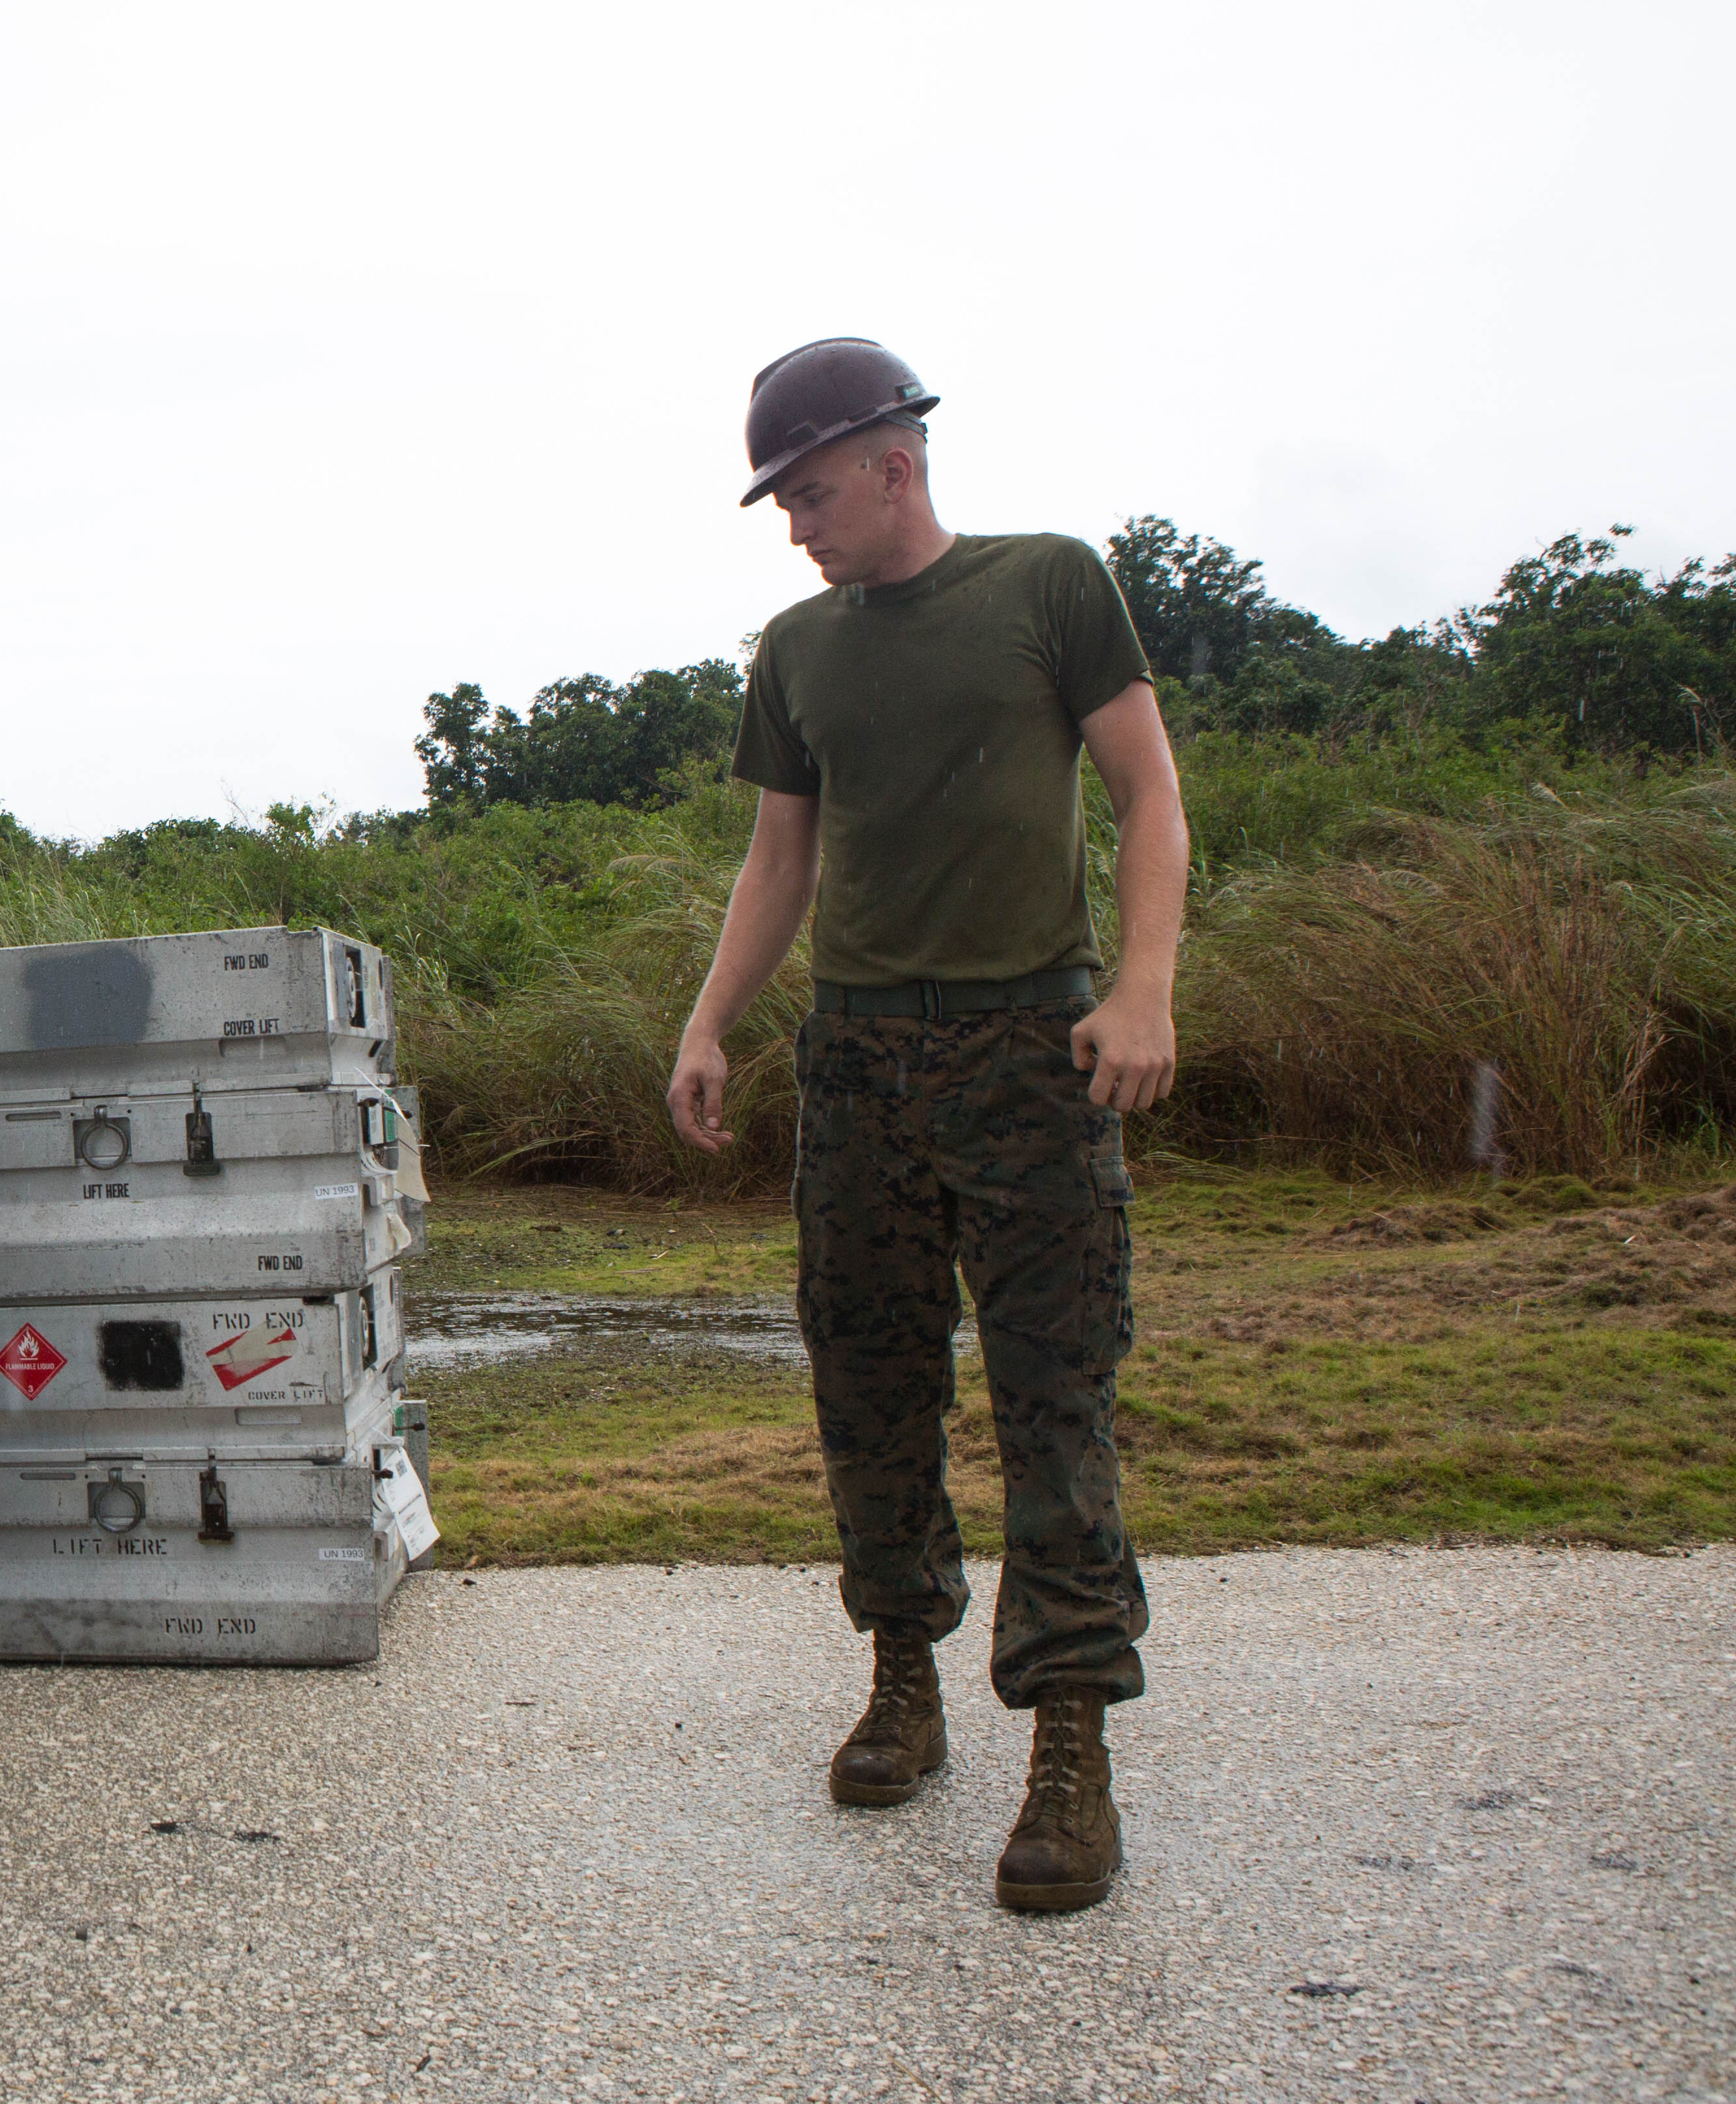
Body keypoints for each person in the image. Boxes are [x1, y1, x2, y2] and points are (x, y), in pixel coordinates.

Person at [664, 338, 1189, 1916]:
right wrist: (707, 1019)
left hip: (1032, 1046)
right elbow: (778, 857)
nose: (793, 525)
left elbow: (1146, 794)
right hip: (858, 1068)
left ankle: (1067, 1745)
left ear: (893, 462)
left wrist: (1143, 985)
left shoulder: (1047, 587)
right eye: (778, 500)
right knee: (868, 1385)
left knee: (1051, 1393)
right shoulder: (796, 644)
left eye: (809, 491)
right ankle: (903, 1674)